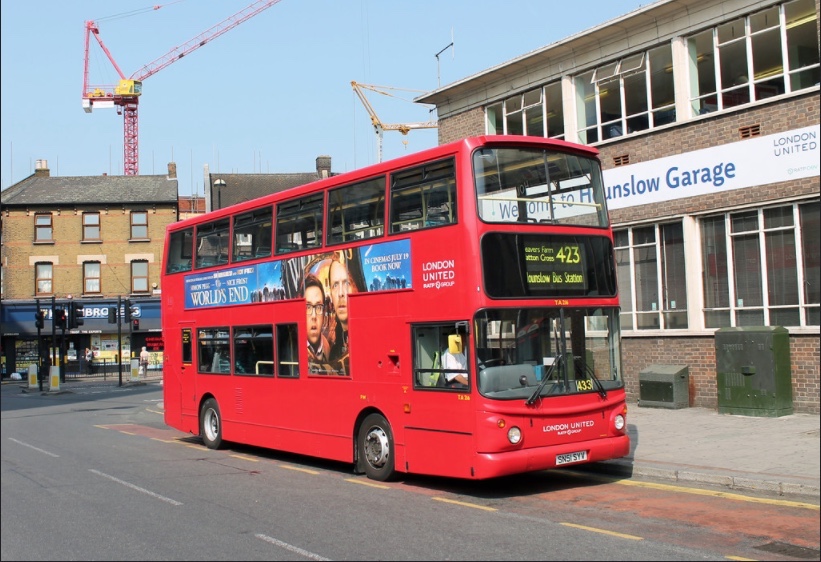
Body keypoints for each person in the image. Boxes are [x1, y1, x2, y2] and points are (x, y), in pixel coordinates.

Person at [327, 256, 353, 375]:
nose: (341, 293)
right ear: (331, 294)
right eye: (335, 285)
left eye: (346, 283)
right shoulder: (333, 351)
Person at [304, 273, 332, 374]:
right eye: (308, 307)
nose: (314, 316)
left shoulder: (326, 346)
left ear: (324, 311)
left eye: (319, 307)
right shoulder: (293, 347)